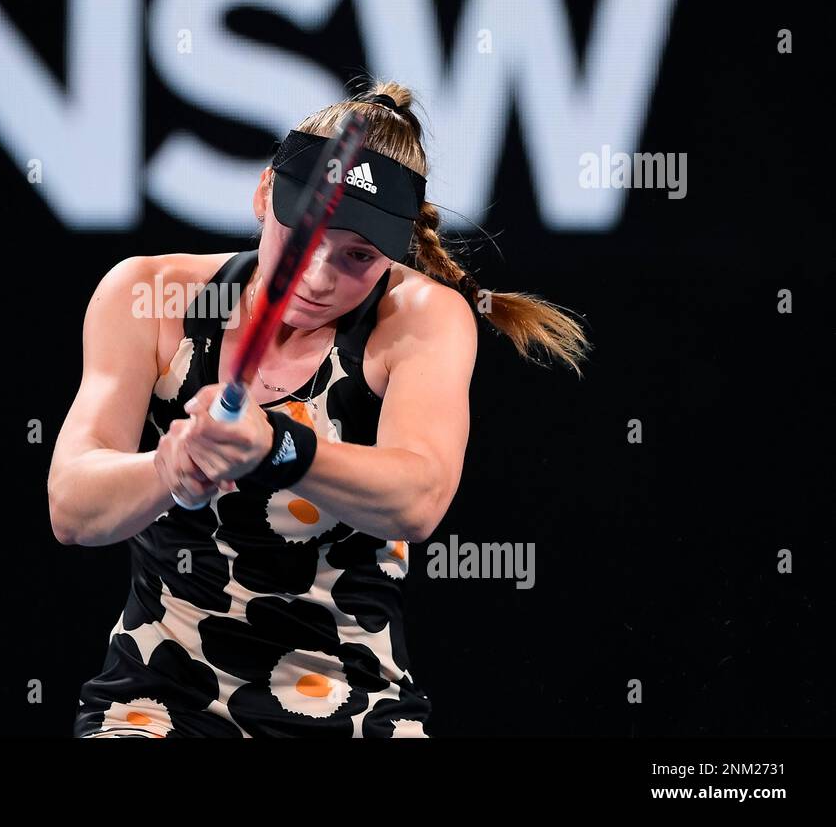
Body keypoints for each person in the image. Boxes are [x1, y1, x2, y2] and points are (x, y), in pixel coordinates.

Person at [48, 82, 591, 737]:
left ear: (394, 255)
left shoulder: (423, 320)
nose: (317, 275)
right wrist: (169, 465)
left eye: (358, 255)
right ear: (262, 195)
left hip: (351, 710)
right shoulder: (148, 293)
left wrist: (276, 447)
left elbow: (418, 499)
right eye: (302, 233)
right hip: (155, 708)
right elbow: (72, 507)